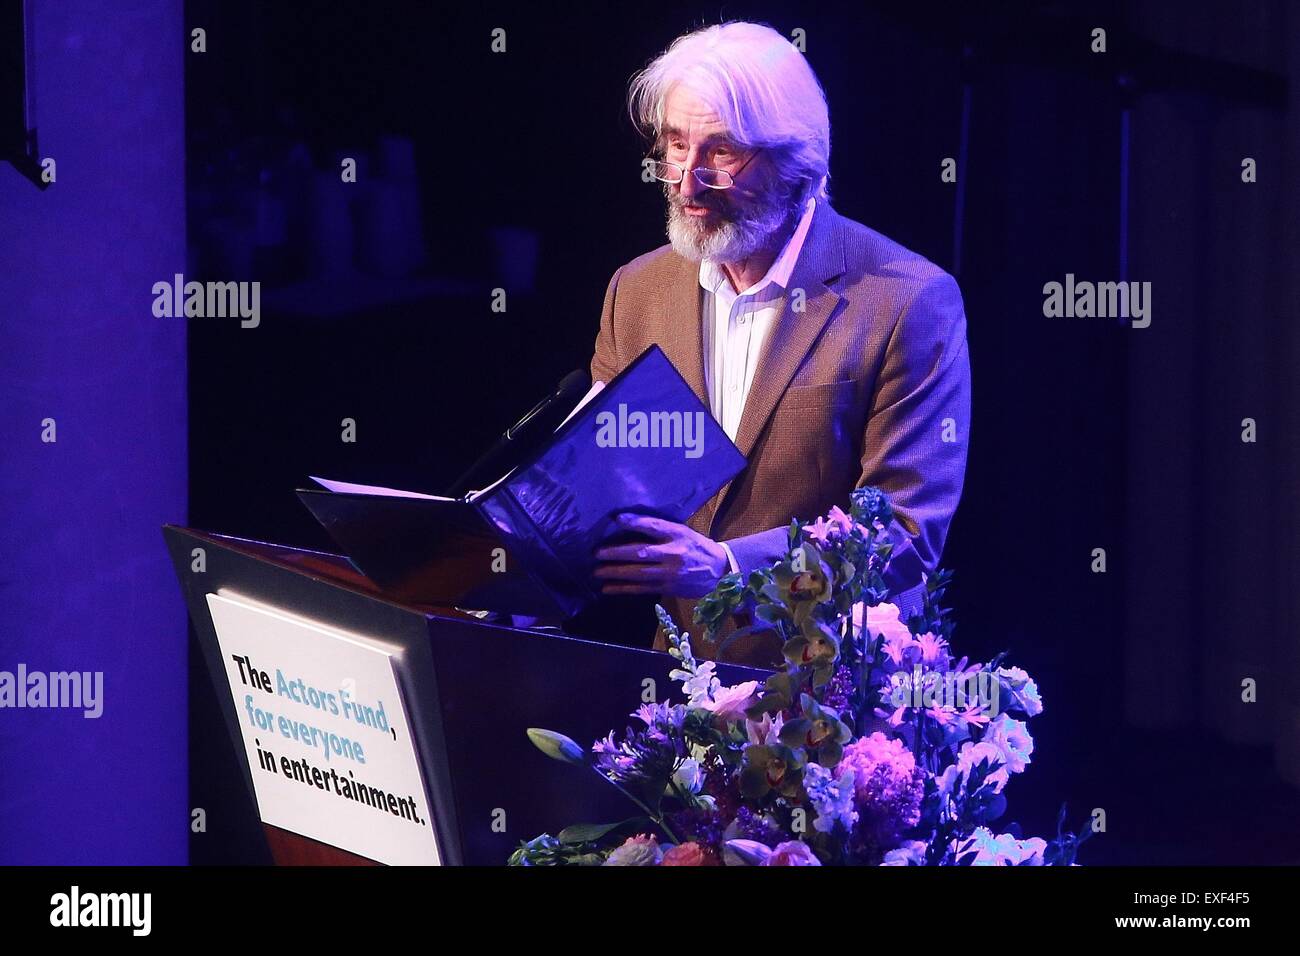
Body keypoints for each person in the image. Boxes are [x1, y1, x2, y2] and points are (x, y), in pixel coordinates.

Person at [589, 21, 970, 666]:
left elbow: (903, 537)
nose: (687, 180)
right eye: (675, 145)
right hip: (677, 697)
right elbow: (603, 482)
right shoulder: (639, 290)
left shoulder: (908, 301)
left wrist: (728, 567)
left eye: (723, 153)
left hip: (836, 714)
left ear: (798, 163)